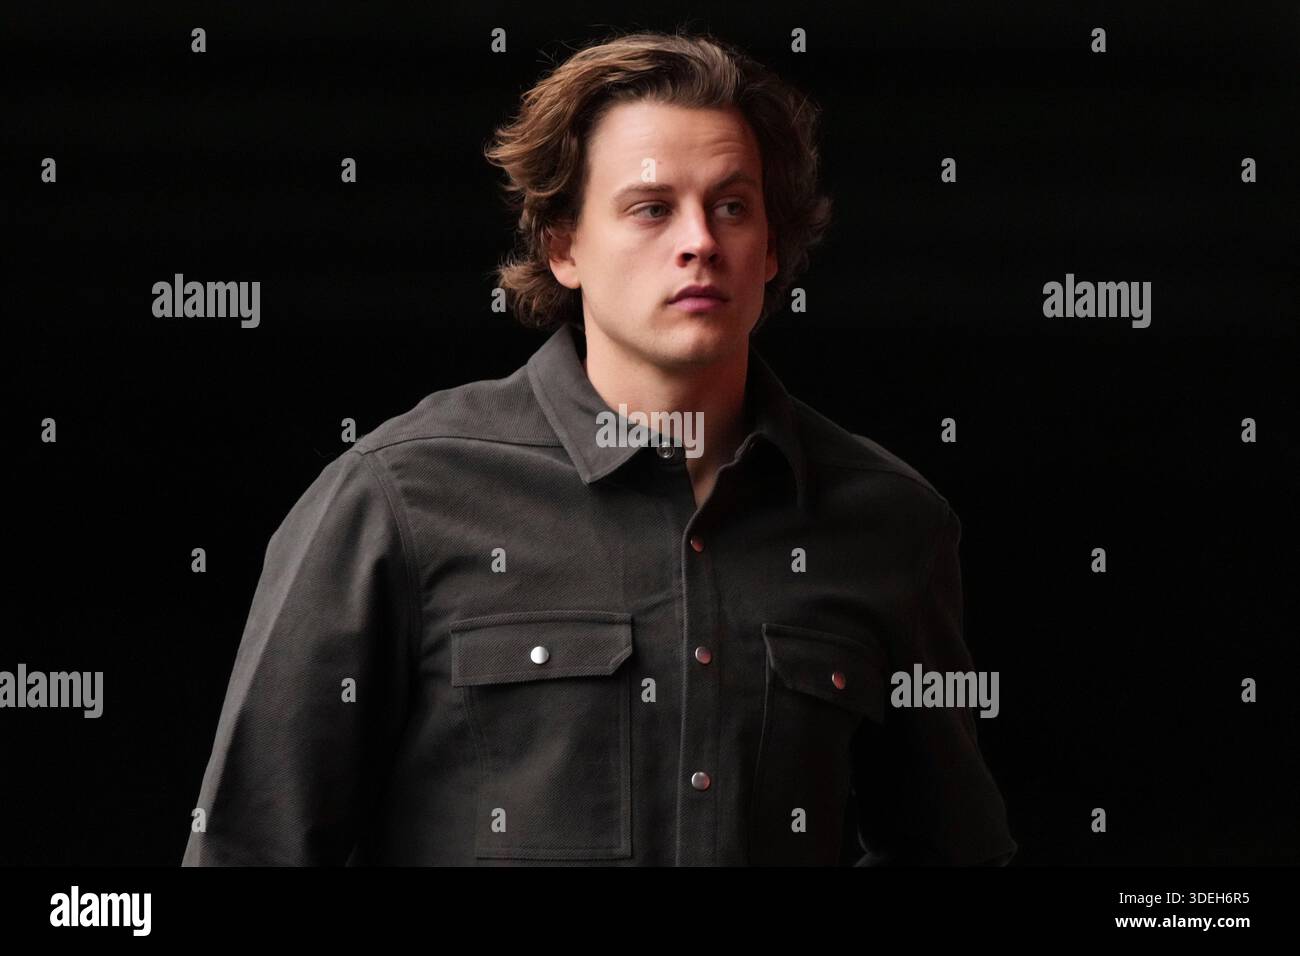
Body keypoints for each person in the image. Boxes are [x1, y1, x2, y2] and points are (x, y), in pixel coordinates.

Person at [182, 29, 1017, 866]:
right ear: (562, 245)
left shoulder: (889, 522)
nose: (700, 241)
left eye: (732, 205)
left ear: (771, 245)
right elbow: (252, 847)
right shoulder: (397, 498)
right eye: (651, 208)